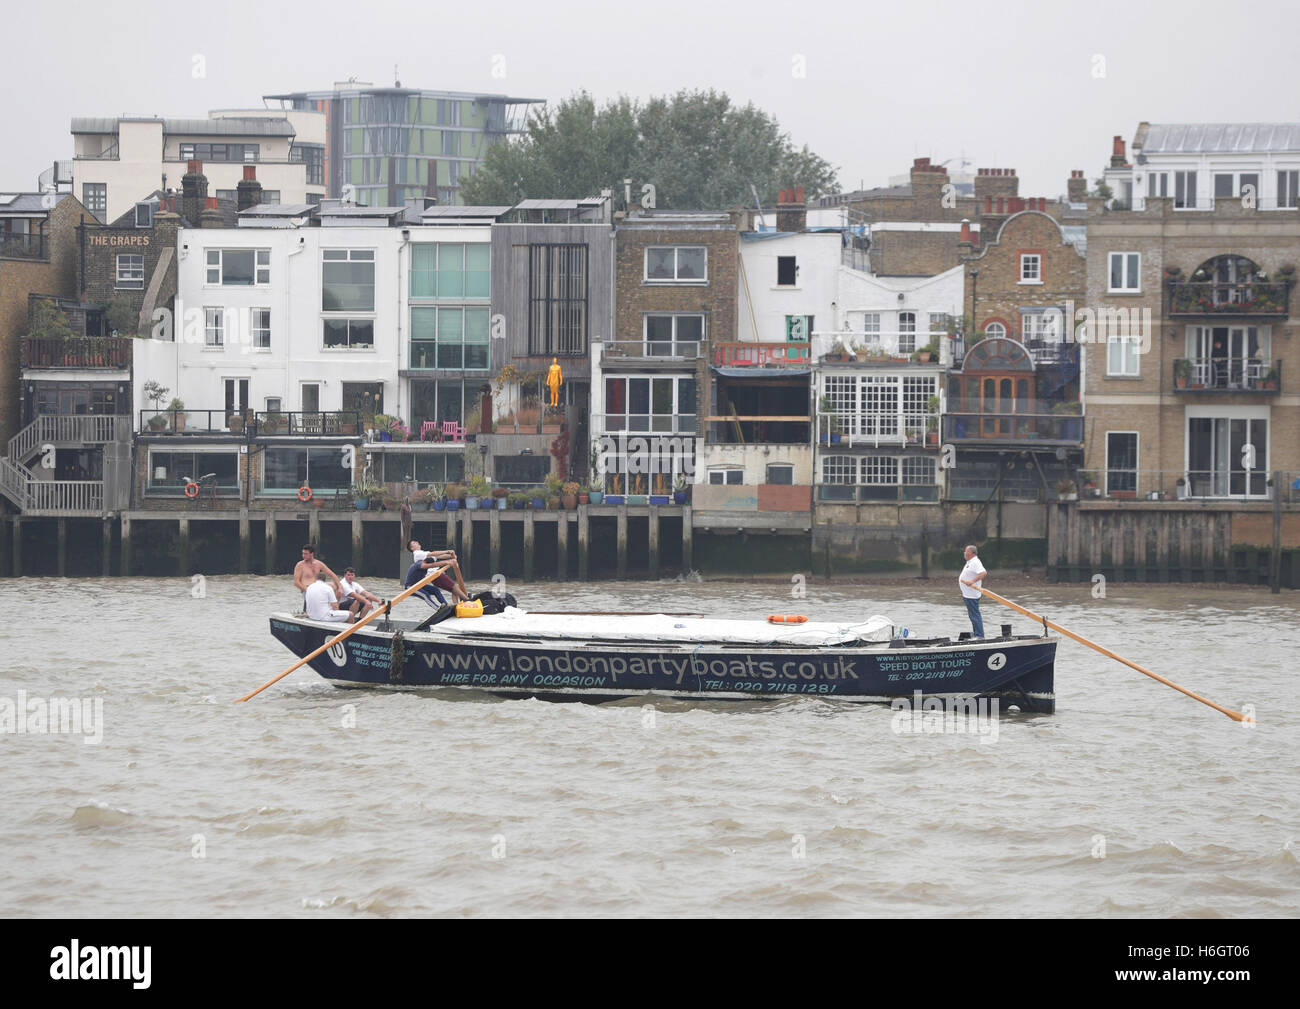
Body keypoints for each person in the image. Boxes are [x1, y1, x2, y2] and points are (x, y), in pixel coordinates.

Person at [405, 539, 469, 607]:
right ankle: (467, 600)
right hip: (434, 574)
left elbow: (437, 556)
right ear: (412, 548)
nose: (417, 542)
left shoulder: (423, 552)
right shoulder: (417, 553)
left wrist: (450, 556)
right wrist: (448, 553)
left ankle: (455, 605)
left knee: (453, 589)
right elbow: (433, 557)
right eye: (414, 543)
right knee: (454, 587)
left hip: (436, 574)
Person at [293, 544, 342, 612]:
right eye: (303, 553)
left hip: (318, 587)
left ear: (311, 554)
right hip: (307, 589)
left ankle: (335, 609)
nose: (303, 556)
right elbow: (296, 582)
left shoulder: (318, 564)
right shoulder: (300, 565)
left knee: (334, 585)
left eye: (306, 554)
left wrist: (340, 587)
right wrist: (308, 590)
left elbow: (332, 575)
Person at [958, 544, 987, 638]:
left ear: (971, 553)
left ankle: (979, 635)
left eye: (966, 551)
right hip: (967, 594)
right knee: (972, 616)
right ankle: (977, 634)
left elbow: (983, 573)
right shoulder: (970, 561)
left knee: (975, 615)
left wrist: (972, 581)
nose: (964, 553)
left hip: (972, 594)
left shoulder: (975, 562)